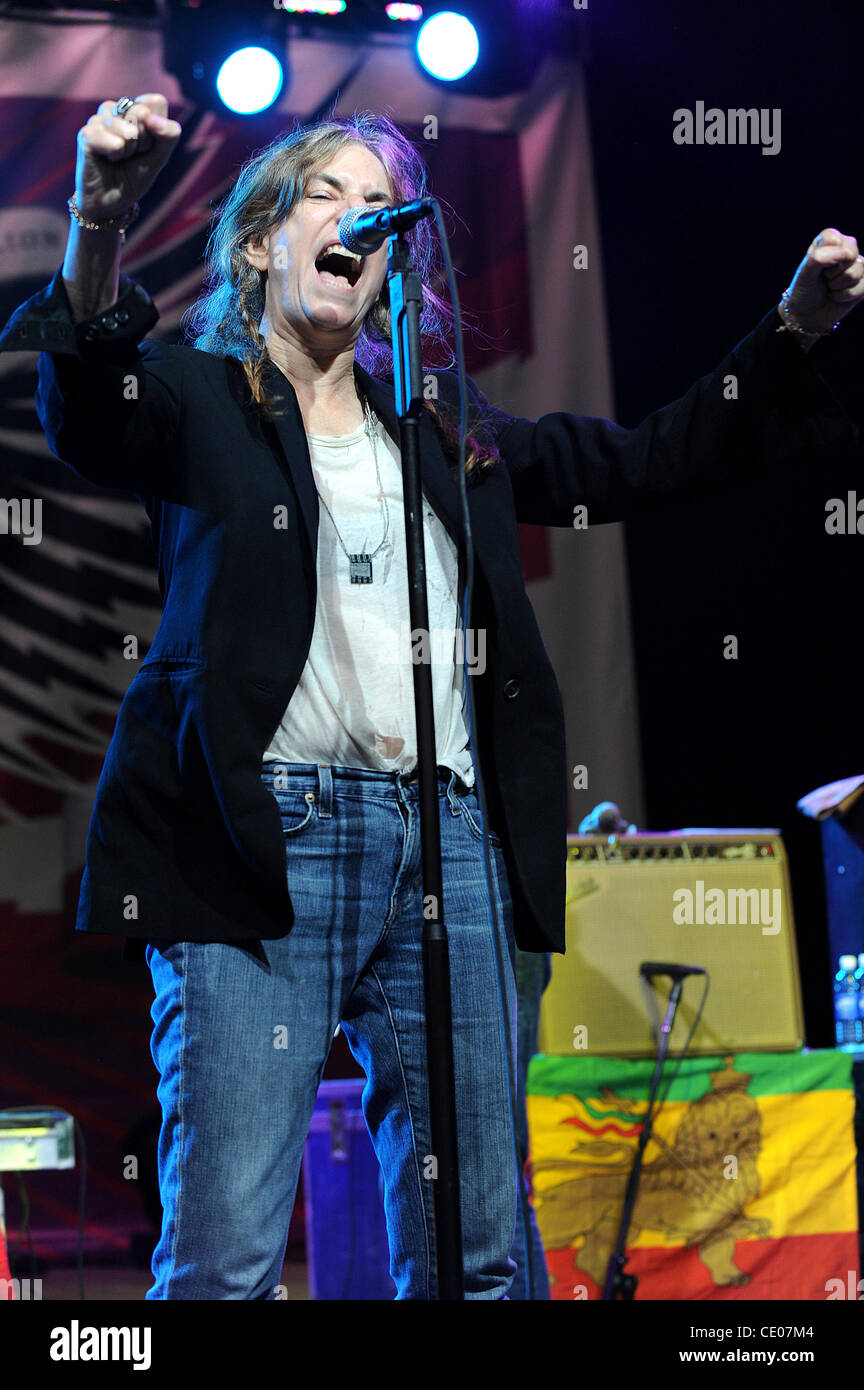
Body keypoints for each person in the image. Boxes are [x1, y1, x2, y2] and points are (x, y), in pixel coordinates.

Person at [0, 93, 860, 1301]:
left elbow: (644, 461)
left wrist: (788, 332)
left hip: (452, 844)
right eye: (326, 195)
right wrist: (98, 216)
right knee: (228, 1249)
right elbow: (88, 395)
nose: (360, 217)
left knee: (482, 1251)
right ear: (259, 243)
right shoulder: (199, 403)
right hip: (261, 848)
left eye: (379, 204)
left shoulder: (448, 433)